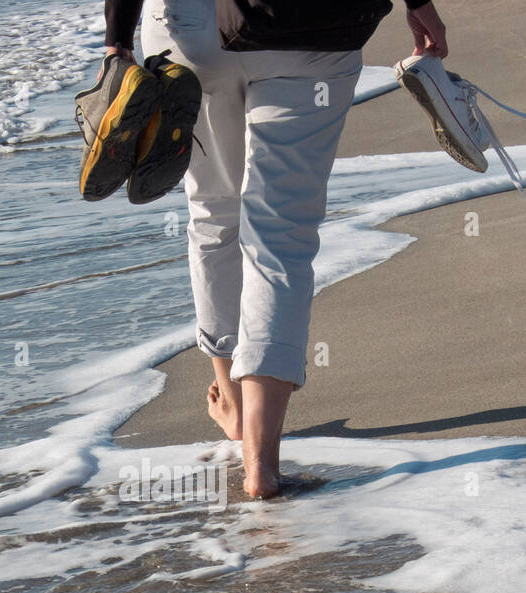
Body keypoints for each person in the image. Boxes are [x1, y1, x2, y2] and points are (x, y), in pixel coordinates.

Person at [98, 0, 448, 498]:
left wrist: (117, 40)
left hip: (191, 29)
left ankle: (236, 409)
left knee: (214, 212)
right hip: (316, 33)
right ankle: (262, 464)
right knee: (282, 231)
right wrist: (419, 4)